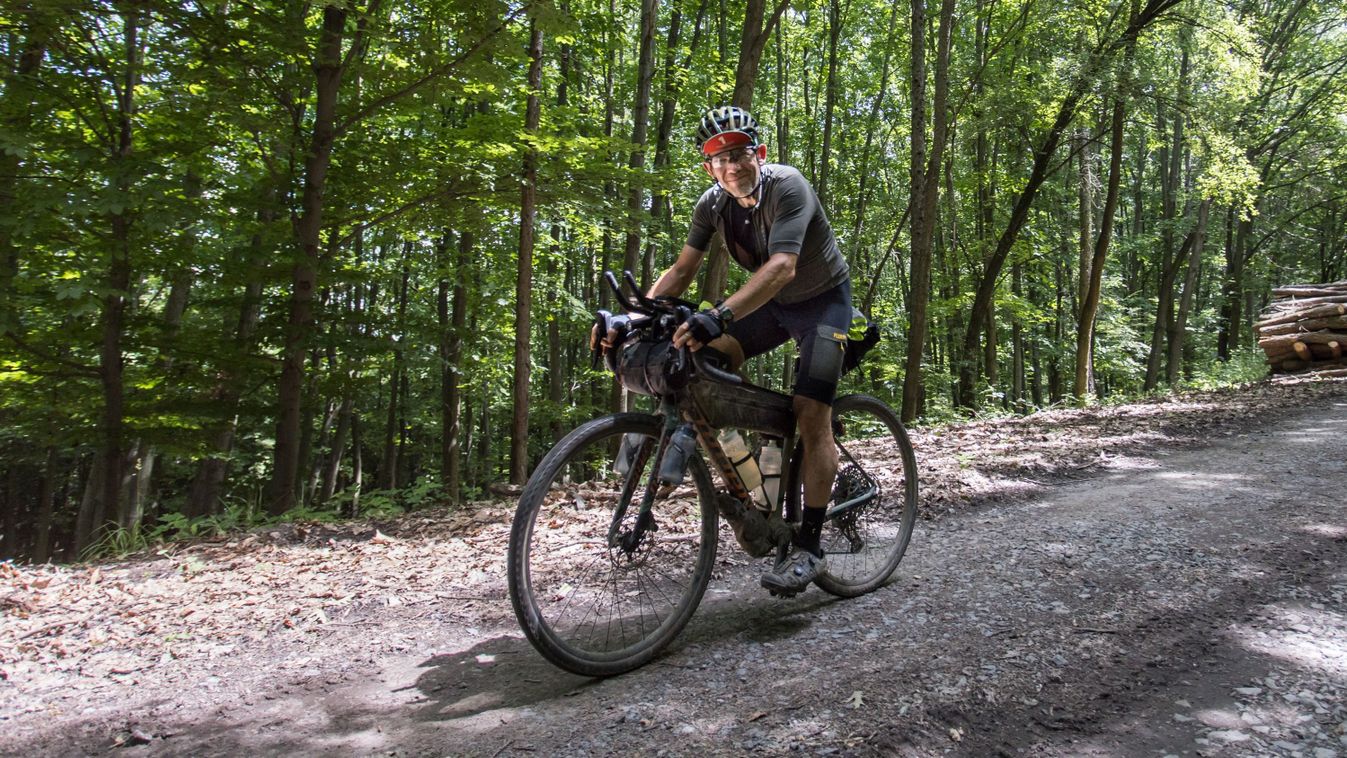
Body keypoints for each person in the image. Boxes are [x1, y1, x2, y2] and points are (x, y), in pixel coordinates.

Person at [648, 105, 854, 597]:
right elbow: (681, 272)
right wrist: (635, 319)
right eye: (720, 158)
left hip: (823, 305)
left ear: (759, 154)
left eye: (740, 154)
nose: (733, 165)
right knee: (703, 363)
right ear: (708, 167)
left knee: (810, 413)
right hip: (772, 305)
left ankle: (809, 546)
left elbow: (783, 266)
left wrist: (718, 314)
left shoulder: (788, 186)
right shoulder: (711, 205)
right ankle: (758, 487)